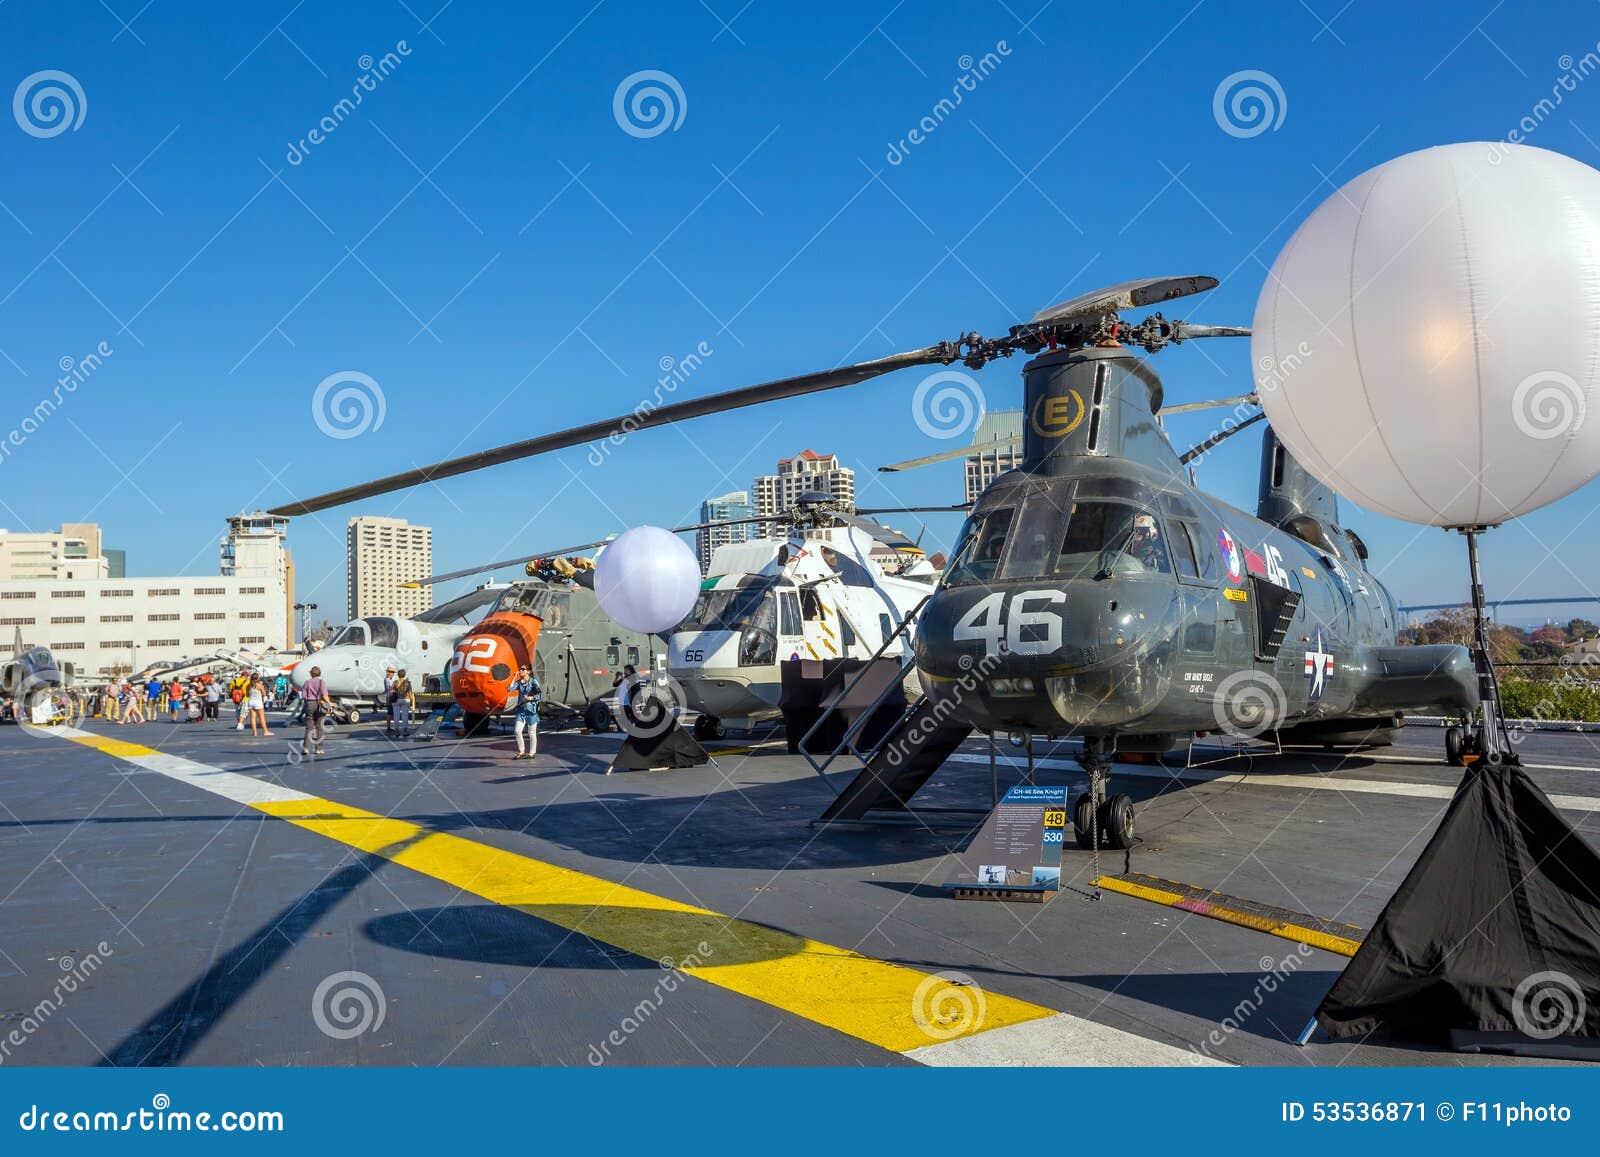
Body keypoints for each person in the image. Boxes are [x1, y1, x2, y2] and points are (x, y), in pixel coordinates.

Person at [510, 664, 541, 760]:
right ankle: (521, 751)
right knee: (517, 731)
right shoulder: (519, 682)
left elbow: (539, 695)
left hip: (531, 710)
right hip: (521, 710)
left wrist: (531, 698)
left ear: (528, 671)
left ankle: (532, 753)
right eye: (520, 669)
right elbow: (510, 689)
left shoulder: (533, 682)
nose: (521, 670)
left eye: (523, 669)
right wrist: (514, 676)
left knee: (531, 732)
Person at [299, 665, 328, 757]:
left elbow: (303, 696)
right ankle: (318, 749)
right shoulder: (321, 682)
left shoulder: (307, 682)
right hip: (319, 704)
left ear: (311, 673)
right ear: (319, 673)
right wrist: (330, 704)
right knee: (320, 727)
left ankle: (306, 748)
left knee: (309, 727)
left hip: (309, 704)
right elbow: (324, 694)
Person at [391, 668, 415, 737]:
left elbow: (391, 691)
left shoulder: (395, 682)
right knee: (405, 716)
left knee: (396, 716)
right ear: (404, 675)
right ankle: (405, 731)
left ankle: (396, 731)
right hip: (405, 700)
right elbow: (410, 693)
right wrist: (411, 701)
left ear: (398, 675)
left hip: (396, 700)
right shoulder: (408, 682)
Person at [382, 667, 397, 735]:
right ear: (389, 673)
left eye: (393, 672)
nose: (393, 674)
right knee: (390, 713)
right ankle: (388, 727)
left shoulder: (389, 679)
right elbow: (391, 688)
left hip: (390, 697)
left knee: (390, 713)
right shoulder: (388, 680)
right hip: (390, 697)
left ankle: (389, 727)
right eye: (392, 672)